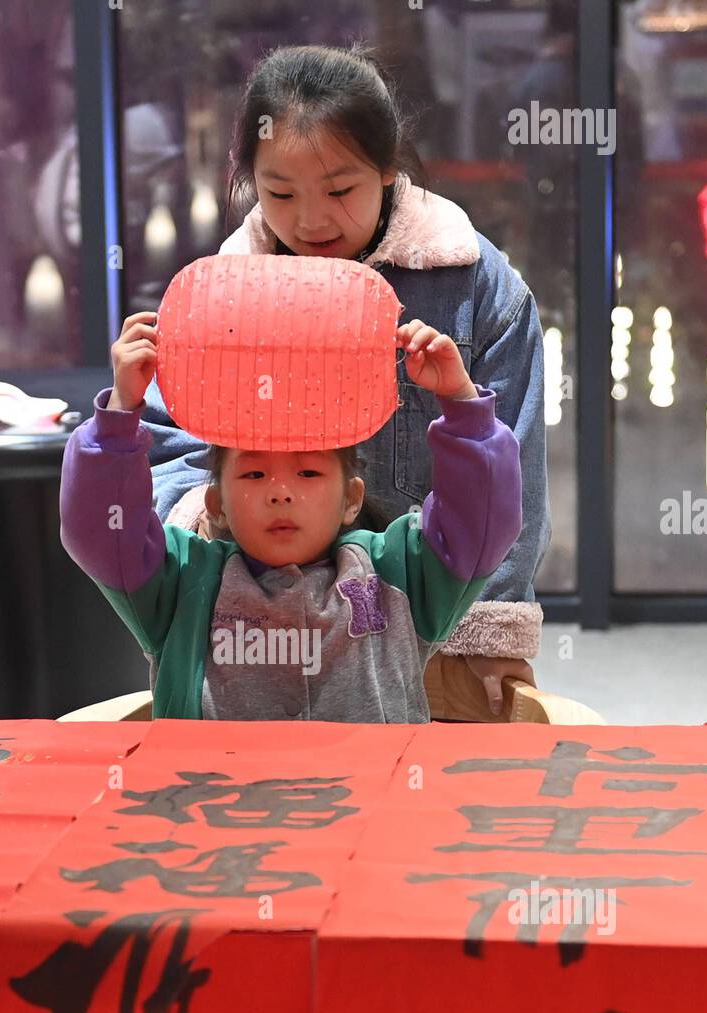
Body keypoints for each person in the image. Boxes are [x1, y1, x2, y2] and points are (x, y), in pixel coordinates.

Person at [140, 41, 550, 715]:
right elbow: (173, 454)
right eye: (279, 192)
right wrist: (200, 581)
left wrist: (483, 633)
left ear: (388, 168)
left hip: (427, 615)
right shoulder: (223, 295)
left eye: (338, 190)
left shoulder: (477, 285)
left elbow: (514, 472)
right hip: (251, 628)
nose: (309, 219)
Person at [59, 309, 521, 723]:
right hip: (209, 811)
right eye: (255, 473)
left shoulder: (399, 572)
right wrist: (119, 414)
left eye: (307, 471)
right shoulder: (181, 582)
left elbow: (478, 522)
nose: (280, 492)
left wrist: (463, 407)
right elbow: (100, 530)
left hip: (369, 812)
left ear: (351, 500)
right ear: (216, 503)